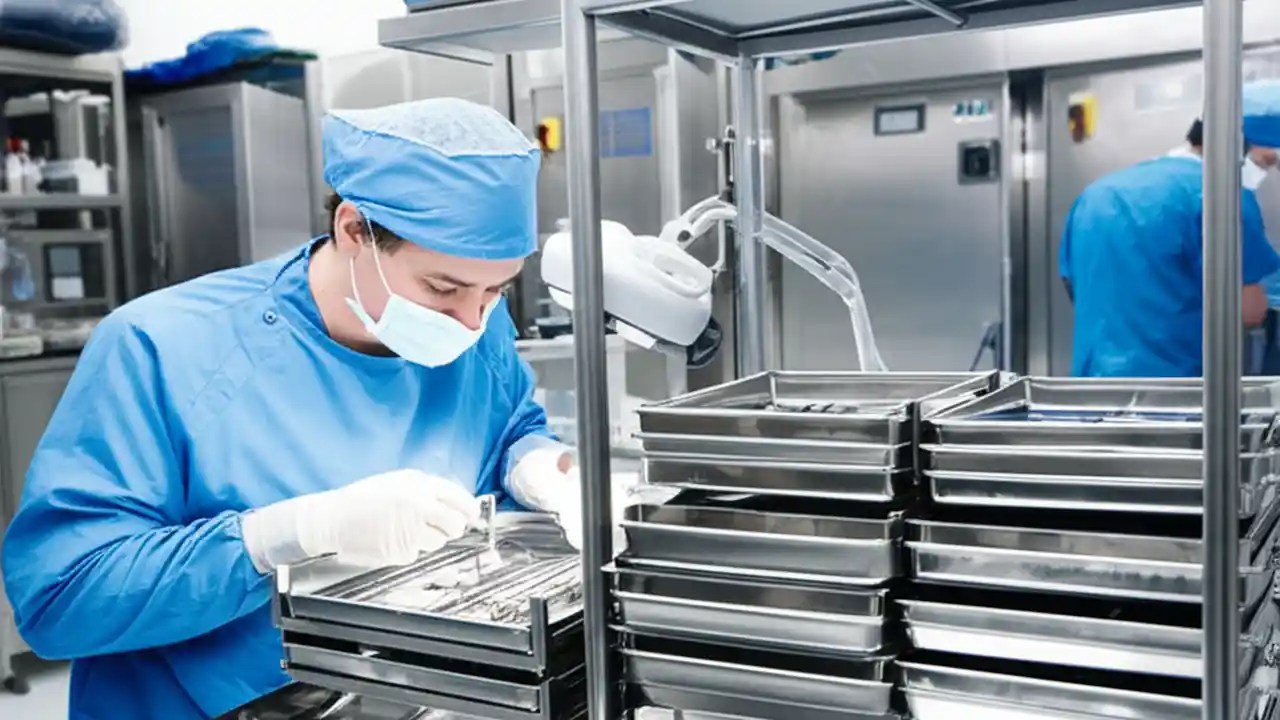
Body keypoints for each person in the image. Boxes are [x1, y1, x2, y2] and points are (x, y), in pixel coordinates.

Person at [1, 98, 589, 719]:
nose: (472, 319)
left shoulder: (474, 328)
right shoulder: (162, 348)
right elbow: (60, 600)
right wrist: (282, 537)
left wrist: (536, 463)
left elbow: (507, 427)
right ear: (355, 230)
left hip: (403, 696)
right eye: (442, 288)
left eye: (496, 290)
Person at [1060, 80, 1280, 377]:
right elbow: (1249, 310)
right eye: (1267, 161)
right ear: (1236, 144)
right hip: (1180, 391)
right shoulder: (1224, 197)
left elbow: (1073, 283)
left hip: (1094, 388)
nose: (1265, 172)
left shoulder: (1097, 193)